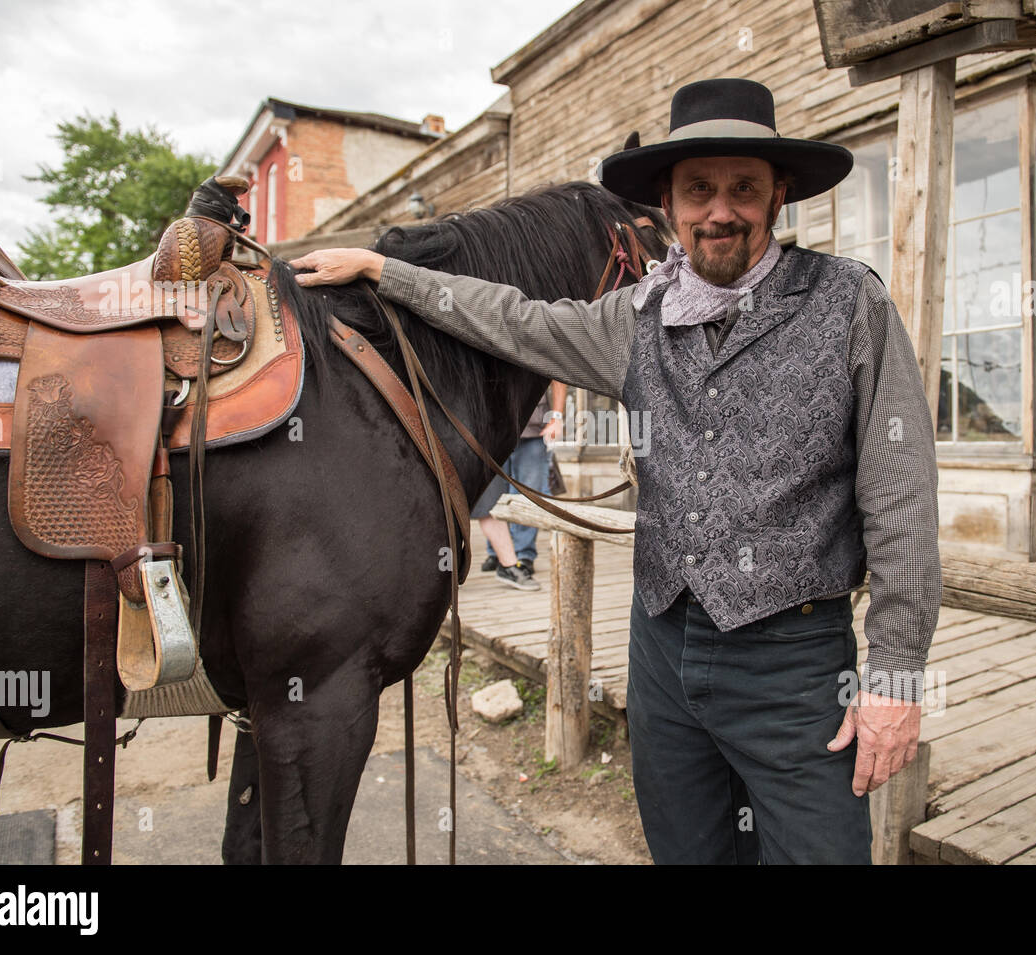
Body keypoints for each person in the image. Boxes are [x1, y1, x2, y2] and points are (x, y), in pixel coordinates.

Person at [291, 77, 942, 864]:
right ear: (667, 203)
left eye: (744, 188)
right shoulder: (637, 317)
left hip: (795, 665)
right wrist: (388, 272)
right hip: (663, 652)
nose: (720, 210)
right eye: (698, 189)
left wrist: (897, 674)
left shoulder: (850, 305)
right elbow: (514, 319)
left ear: (780, 196)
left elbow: (901, 498)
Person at [474, 381, 566, 592]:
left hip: (534, 428)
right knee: (491, 497)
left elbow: (557, 377)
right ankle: (497, 554)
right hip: (493, 429)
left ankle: (523, 555)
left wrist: (557, 417)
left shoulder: (543, 346)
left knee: (528, 496)